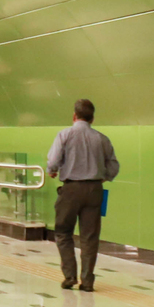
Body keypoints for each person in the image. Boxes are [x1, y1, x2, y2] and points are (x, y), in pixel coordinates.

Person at [46, 99, 119, 292]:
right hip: (95, 190)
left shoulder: (65, 135)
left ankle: (70, 276)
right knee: (90, 236)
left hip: (71, 189)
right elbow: (113, 166)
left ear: (74, 116)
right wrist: (103, 178)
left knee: (63, 232)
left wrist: (52, 170)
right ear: (92, 118)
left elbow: (53, 160)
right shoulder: (102, 139)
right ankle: (87, 281)